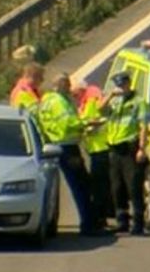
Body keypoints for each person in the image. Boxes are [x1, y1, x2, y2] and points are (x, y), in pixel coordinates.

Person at [39, 74, 104, 236]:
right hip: (66, 146)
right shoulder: (59, 102)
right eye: (67, 85)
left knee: (78, 185)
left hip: (56, 143)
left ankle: (90, 222)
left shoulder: (46, 100)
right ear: (59, 85)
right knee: (81, 186)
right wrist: (86, 123)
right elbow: (67, 123)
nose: (69, 88)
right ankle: (89, 225)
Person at [101, 72, 150, 235]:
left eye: (122, 85)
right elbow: (100, 110)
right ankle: (122, 220)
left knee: (133, 186)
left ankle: (138, 223)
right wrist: (110, 96)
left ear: (129, 84)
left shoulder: (139, 102)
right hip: (114, 147)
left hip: (130, 147)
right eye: (117, 85)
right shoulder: (115, 101)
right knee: (116, 186)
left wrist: (142, 148)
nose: (120, 88)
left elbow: (143, 126)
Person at [73, 79, 123, 230]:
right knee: (100, 186)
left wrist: (88, 127)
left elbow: (100, 117)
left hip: (101, 148)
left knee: (100, 187)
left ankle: (102, 218)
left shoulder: (92, 98)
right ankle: (105, 217)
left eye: (75, 93)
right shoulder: (86, 99)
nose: (74, 97)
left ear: (81, 90)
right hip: (96, 148)